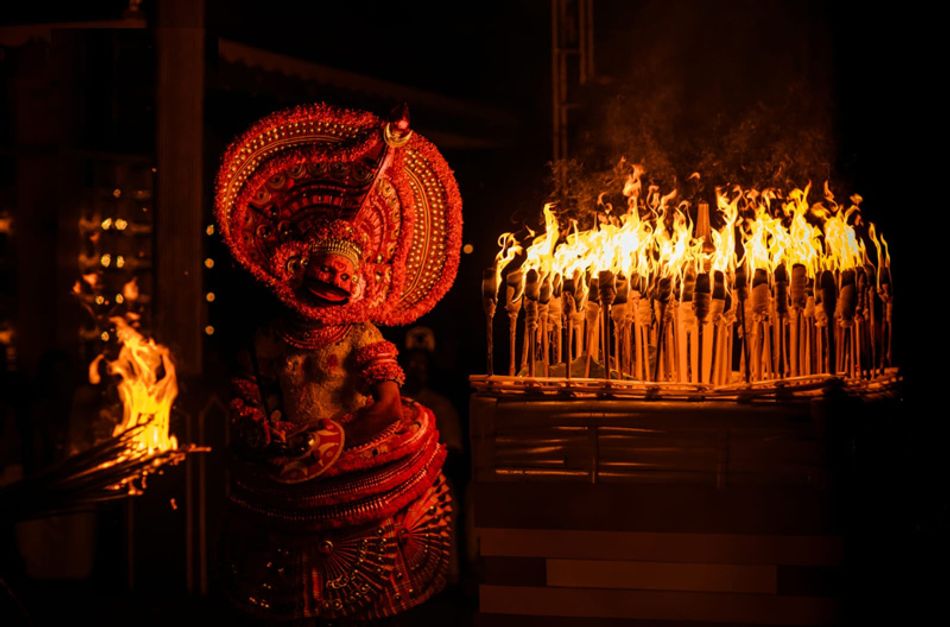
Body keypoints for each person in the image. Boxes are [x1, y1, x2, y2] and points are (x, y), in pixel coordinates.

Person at [215, 102, 463, 621]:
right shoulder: (269, 338)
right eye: (328, 271)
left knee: (362, 598)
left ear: (361, 285)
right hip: (287, 476)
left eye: (347, 277)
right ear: (298, 266)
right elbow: (243, 393)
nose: (336, 282)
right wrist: (259, 428)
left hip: (351, 467)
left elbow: (389, 406)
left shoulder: (360, 334)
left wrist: (331, 439)